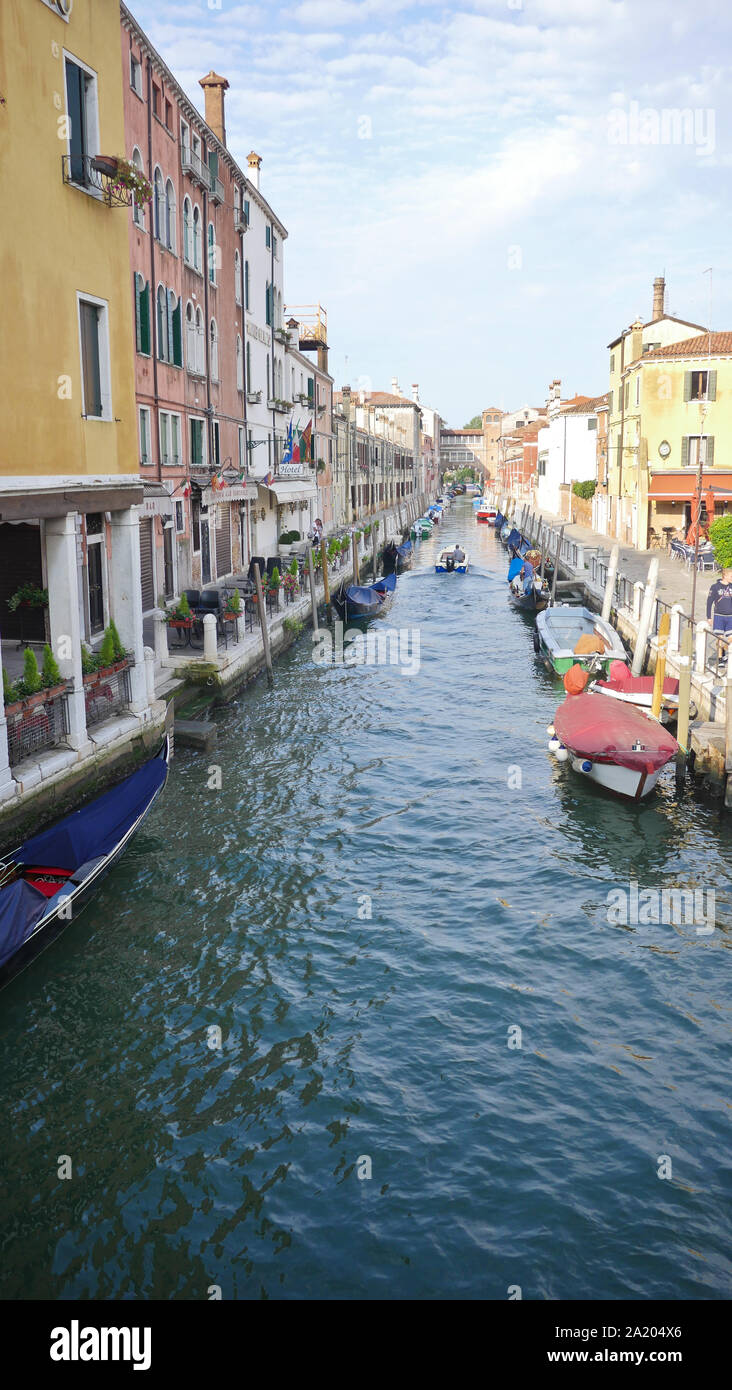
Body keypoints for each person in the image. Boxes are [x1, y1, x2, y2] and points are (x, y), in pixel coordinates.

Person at [707, 566, 732, 670]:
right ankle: (720, 658)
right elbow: (709, 602)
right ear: (725, 575)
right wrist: (708, 617)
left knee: (730, 639)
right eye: (731, 576)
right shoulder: (715, 587)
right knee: (720, 638)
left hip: (730, 617)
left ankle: (724, 651)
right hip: (719, 616)